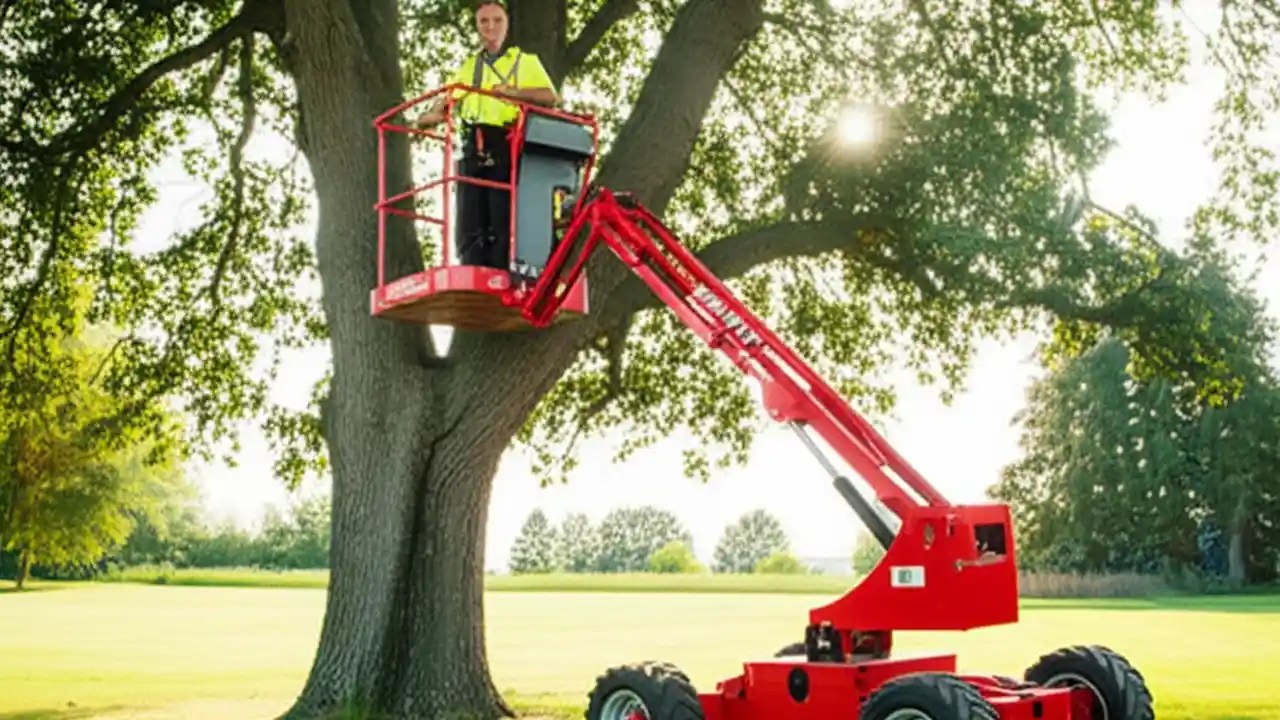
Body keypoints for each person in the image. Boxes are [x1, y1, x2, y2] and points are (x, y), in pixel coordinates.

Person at [416, 0, 559, 270]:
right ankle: (472, 266)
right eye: (484, 21)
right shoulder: (470, 66)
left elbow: (550, 97)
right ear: (477, 27)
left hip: (504, 142)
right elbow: (449, 97)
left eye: (497, 20)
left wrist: (512, 93)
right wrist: (429, 117)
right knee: (470, 210)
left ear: (507, 25)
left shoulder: (523, 61)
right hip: (474, 141)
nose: (490, 27)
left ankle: (501, 268)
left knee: (500, 210)